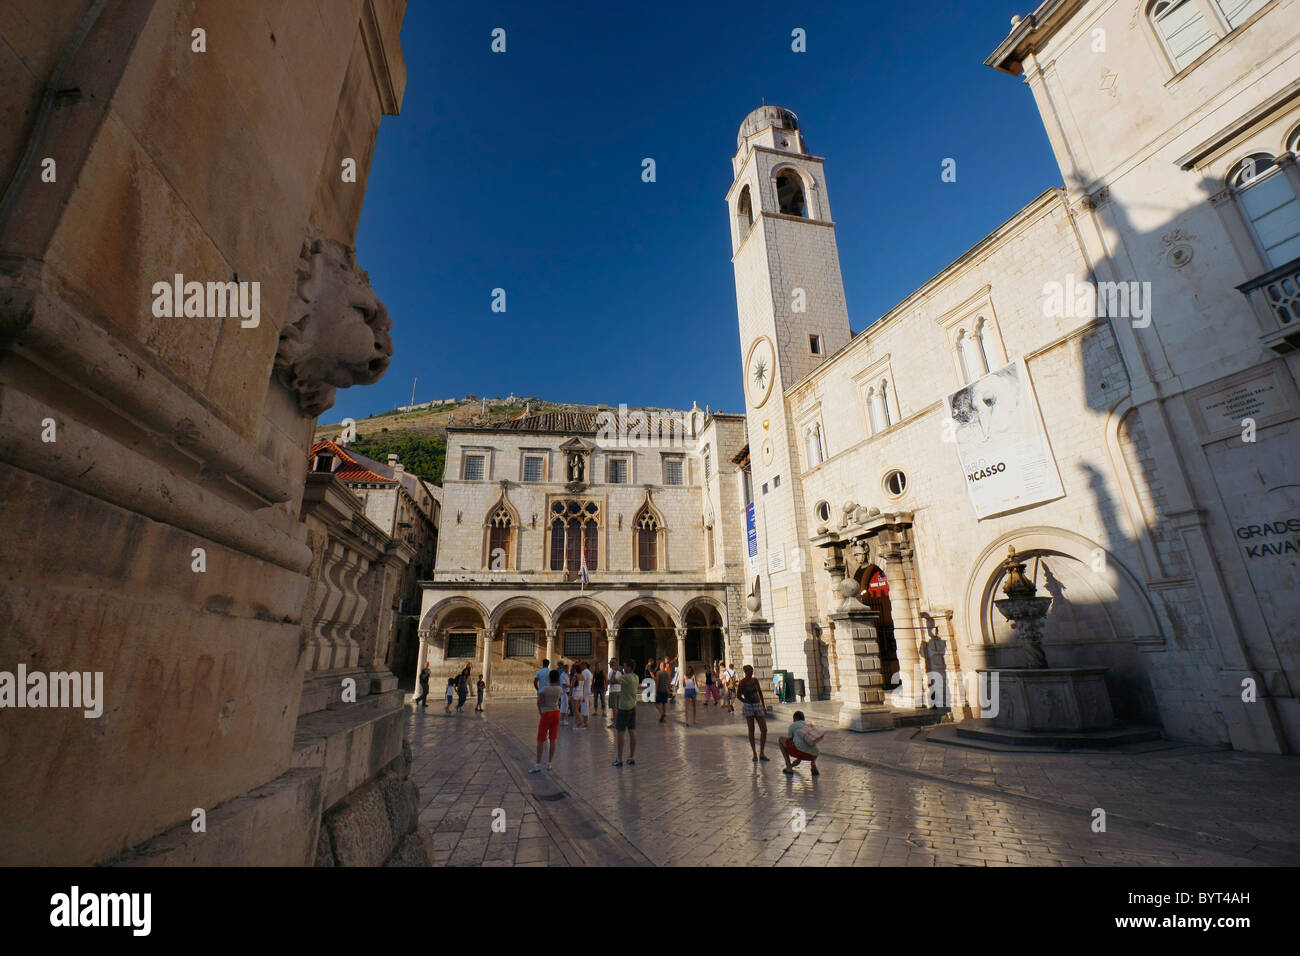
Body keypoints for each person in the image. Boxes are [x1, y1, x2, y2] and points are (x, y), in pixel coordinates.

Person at [531, 669, 562, 773]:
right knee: (553, 738)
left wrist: (540, 712)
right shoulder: (559, 689)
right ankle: (549, 763)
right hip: (556, 713)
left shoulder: (545, 689)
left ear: (549, 677)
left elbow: (539, 702)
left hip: (546, 713)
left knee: (541, 739)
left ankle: (538, 763)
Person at [736, 665, 769, 761]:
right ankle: (754, 753)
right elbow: (738, 695)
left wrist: (763, 706)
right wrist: (745, 702)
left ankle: (762, 752)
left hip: (757, 704)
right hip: (749, 706)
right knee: (751, 730)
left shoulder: (755, 681)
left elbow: (760, 692)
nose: (751, 673)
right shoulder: (742, 682)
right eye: (749, 672)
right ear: (746, 672)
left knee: (764, 729)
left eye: (752, 671)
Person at [613, 660, 641, 766]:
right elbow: (626, 678)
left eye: (624, 667)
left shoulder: (624, 677)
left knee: (621, 732)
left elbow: (613, 680)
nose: (623, 668)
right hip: (633, 706)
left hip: (623, 707)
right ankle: (631, 757)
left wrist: (616, 671)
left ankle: (619, 759)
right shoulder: (635, 677)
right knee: (632, 731)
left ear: (629, 667)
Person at [779, 710, 821, 775]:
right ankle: (813, 765)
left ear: (794, 719)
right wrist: (799, 759)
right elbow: (804, 742)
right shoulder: (808, 725)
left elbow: (791, 740)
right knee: (810, 745)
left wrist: (799, 758)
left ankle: (788, 767)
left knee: (781, 740)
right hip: (813, 755)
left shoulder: (793, 725)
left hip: (800, 752)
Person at [654, 658, 672, 723]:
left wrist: (656, 692)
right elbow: (669, 683)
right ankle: (663, 717)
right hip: (665, 690)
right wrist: (669, 690)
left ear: (661, 666)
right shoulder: (668, 673)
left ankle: (662, 714)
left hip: (660, 690)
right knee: (664, 704)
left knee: (656, 704)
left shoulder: (658, 673)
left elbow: (657, 682)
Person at [571, 661, 588, 729]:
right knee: (577, 709)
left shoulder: (575, 677)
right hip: (581, 693)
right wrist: (583, 696)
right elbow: (583, 687)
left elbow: (572, 686)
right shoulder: (583, 676)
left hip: (576, 693)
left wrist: (569, 695)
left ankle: (582, 723)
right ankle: (575, 724)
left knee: (575, 710)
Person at [606, 660, 622, 728]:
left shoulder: (612, 672)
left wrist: (612, 681)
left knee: (614, 708)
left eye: (610, 664)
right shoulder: (619, 672)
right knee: (617, 708)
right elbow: (620, 681)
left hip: (613, 691)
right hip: (619, 691)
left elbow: (610, 682)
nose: (609, 665)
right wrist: (616, 681)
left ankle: (615, 723)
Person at [581, 661, 594, 728]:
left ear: (584, 665)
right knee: (585, 706)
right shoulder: (589, 672)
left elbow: (583, 682)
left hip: (585, 691)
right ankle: (585, 721)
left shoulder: (585, 672)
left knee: (584, 707)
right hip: (587, 691)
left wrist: (582, 693)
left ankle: (585, 722)